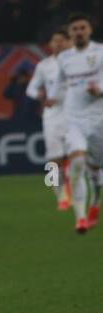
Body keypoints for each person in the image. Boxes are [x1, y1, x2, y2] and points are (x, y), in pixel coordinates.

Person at [57, 13, 103, 232]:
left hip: (98, 119)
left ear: (90, 30)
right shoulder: (64, 58)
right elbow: (58, 88)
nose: (78, 32)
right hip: (73, 119)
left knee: (97, 169)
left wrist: (100, 90)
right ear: (70, 33)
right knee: (76, 163)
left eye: (82, 28)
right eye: (74, 28)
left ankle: (96, 200)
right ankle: (81, 217)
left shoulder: (101, 52)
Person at [25, 28, 72, 210]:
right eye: (55, 40)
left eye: (62, 40)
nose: (59, 43)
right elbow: (30, 89)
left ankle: (73, 191)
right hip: (52, 116)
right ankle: (58, 193)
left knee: (75, 155)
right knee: (54, 158)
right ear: (50, 44)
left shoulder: (76, 63)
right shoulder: (43, 66)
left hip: (74, 114)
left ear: (69, 42)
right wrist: (40, 95)